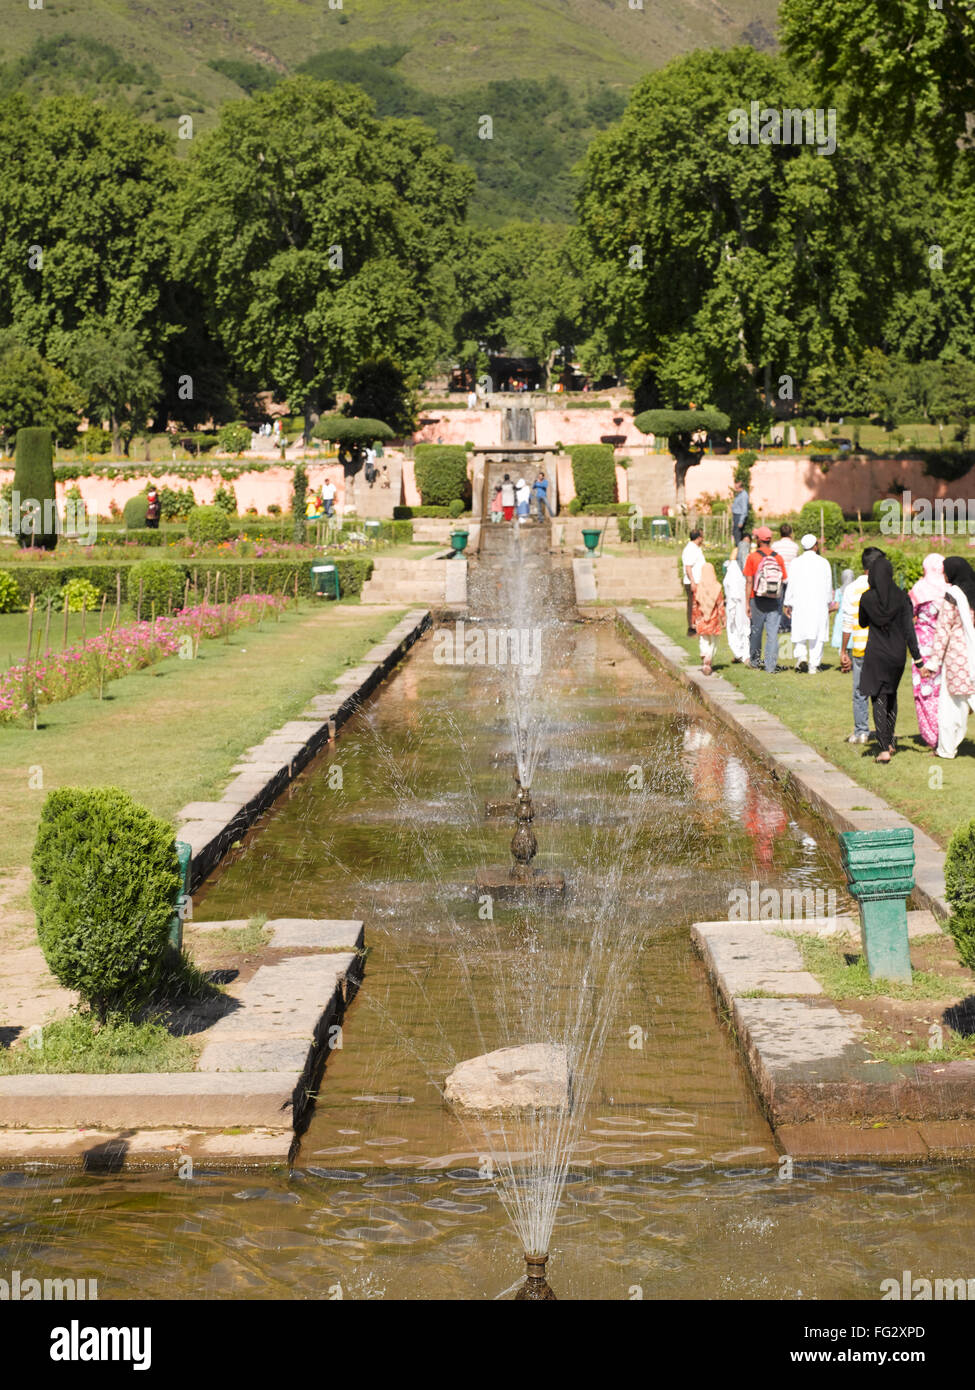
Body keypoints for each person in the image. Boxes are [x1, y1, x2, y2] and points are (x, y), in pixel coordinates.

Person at [858, 554, 923, 763]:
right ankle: (891, 742)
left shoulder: (867, 598)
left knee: (878, 697)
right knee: (892, 695)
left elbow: (862, 623)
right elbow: (909, 630)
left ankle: (884, 748)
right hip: (897, 655)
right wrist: (918, 659)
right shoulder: (903, 597)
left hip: (876, 653)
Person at [923, 556, 975, 759]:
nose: (943, 574)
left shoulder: (953, 595)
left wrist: (933, 662)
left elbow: (943, 629)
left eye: (945, 571)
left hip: (957, 657)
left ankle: (946, 749)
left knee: (951, 707)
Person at [840, 547, 883, 745]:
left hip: (860, 646)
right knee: (882, 691)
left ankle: (861, 732)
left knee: (860, 691)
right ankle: (884, 732)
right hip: (882, 646)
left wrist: (843, 649)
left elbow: (847, 621)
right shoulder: (884, 586)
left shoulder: (852, 588)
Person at [909, 553, 947, 749]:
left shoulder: (920, 588)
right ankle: (944, 733)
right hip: (943, 646)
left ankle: (930, 734)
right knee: (941, 690)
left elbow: (910, 613)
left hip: (922, 645)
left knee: (924, 689)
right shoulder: (949, 589)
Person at [783, 534, 835, 673]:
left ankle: (801, 657)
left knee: (800, 630)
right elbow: (828, 585)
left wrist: (788, 603)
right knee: (818, 633)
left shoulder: (795, 562)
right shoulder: (824, 562)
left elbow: (790, 584)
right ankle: (813, 665)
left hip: (800, 602)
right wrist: (829, 602)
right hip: (818, 603)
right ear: (816, 546)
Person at [743, 525, 787, 672]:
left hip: (757, 599)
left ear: (758, 539)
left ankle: (755, 662)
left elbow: (749, 581)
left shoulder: (753, 557)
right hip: (774, 599)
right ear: (770, 539)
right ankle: (770, 666)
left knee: (756, 631)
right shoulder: (778, 558)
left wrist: (747, 602)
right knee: (772, 633)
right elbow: (784, 579)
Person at [692, 561, 725, 675]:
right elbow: (720, 605)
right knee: (714, 641)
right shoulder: (717, 587)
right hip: (713, 620)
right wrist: (723, 620)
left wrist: (694, 620)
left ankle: (705, 656)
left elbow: (695, 605)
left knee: (703, 639)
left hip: (701, 620)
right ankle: (709, 657)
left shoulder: (698, 587)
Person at [722, 546, 749, 663]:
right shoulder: (738, 570)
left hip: (737, 603)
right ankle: (741, 653)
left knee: (737, 628)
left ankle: (742, 653)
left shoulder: (733, 570)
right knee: (742, 627)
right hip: (741, 603)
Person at [681, 528, 705, 635]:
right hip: (693, 581)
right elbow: (688, 567)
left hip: (697, 580)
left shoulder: (695, 548)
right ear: (699, 538)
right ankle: (692, 628)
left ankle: (697, 625)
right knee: (692, 604)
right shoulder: (690, 549)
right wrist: (693, 582)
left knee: (697, 604)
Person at [831, 568, 854, 651]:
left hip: (841, 618)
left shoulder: (839, 591)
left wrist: (828, 610)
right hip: (853, 617)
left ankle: (843, 658)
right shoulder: (855, 590)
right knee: (851, 640)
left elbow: (836, 606)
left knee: (842, 641)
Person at [731, 479, 749, 545]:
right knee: (735, 533)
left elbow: (744, 509)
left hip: (739, 517)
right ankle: (737, 547)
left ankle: (738, 549)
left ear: (740, 487)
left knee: (737, 534)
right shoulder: (739, 494)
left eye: (736, 487)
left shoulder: (744, 495)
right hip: (736, 516)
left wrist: (741, 521)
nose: (735, 489)